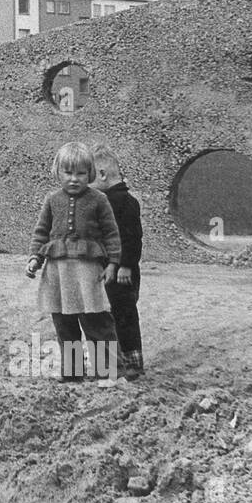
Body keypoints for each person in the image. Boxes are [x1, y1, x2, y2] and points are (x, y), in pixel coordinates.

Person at [25, 142, 122, 383]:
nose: (74, 179)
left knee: (96, 322)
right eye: (68, 173)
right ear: (57, 172)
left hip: (87, 272)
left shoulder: (99, 200)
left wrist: (112, 263)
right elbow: (41, 231)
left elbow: (111, 234)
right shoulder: (51, 200)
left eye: (80, 173)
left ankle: (107, 371)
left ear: (90, 173)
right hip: (57, 272)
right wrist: (35, 258)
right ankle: (72, 372)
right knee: (64, 324)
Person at [91, 143, 145, 379]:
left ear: (102, 174)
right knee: (115, 314)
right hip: (112, 271)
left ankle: (133, 361)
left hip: (123, 273)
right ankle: (120, 360)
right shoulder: (109, 202)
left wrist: (125, 264)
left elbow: (132, 237)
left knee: (124, 314)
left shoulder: (124, 202)